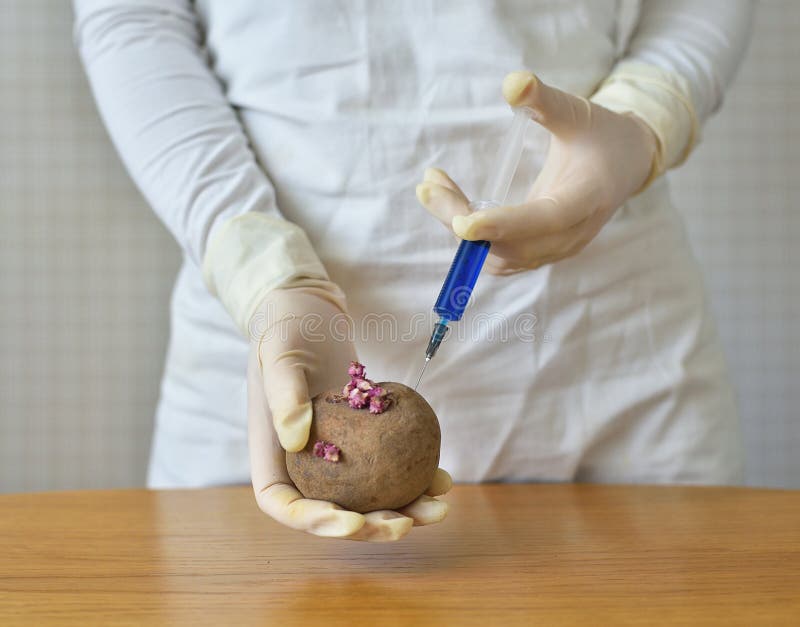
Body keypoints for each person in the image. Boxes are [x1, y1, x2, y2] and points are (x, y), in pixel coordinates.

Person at [74, 0, 753, 541]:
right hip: (261, 353)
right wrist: (258, 266)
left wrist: (648, 115)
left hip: (610, 368)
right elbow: (133, 16)